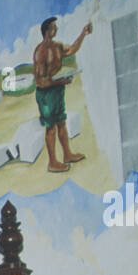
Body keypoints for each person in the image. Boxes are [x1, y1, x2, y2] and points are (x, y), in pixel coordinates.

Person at [33, 16, 92, 173]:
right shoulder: (41, 52)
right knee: (51, 128)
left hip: (57, 91)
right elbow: (39, 81)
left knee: (62, 124)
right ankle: (52, 162)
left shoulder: (57, 46)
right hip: (46, 95)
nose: (56, 29)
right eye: (54, 27)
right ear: (47, 31)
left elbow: (72, 49)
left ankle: (67, 155)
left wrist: (83, 33)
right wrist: (59, 82)